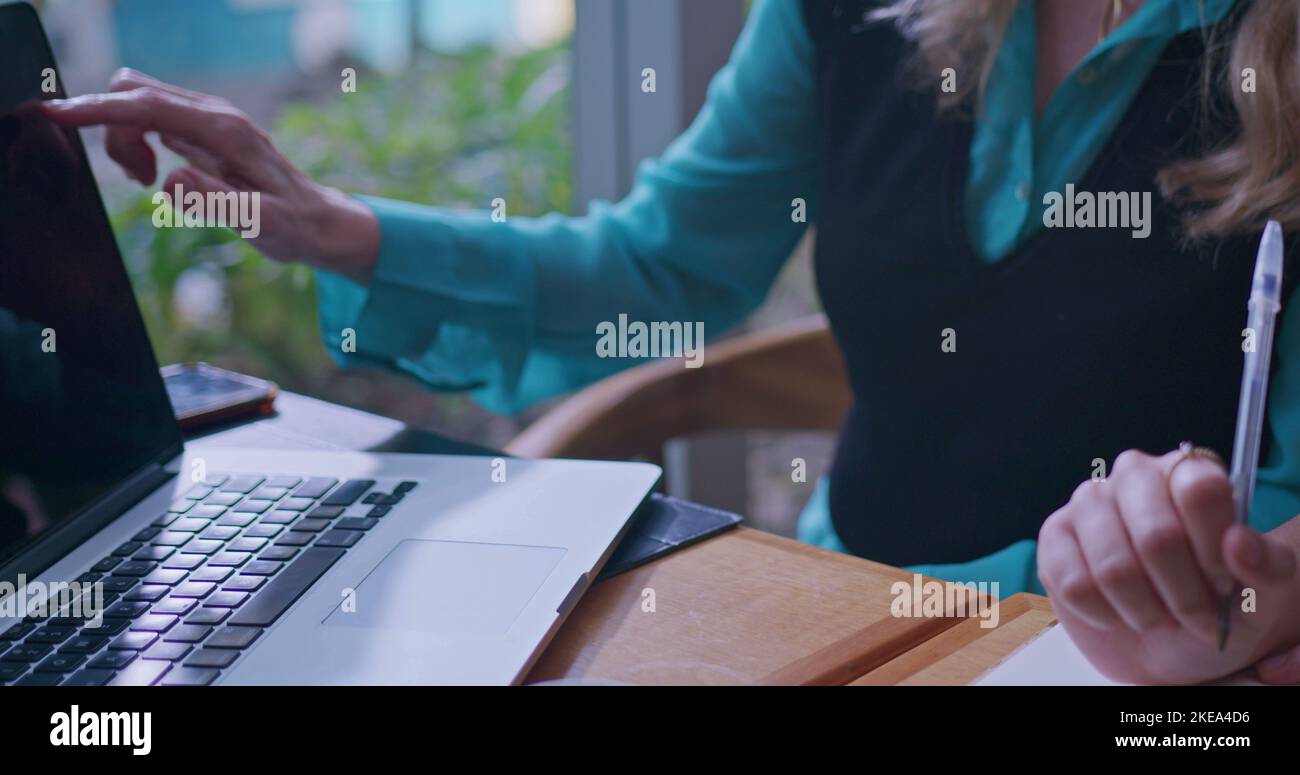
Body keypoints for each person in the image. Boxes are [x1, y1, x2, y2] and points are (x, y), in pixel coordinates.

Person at [42, 0, 1300, 684]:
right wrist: (333, 228)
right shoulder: (845, 14)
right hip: (836, 612)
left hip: (1130, 666)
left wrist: (1219, 587)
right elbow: (660, 271)